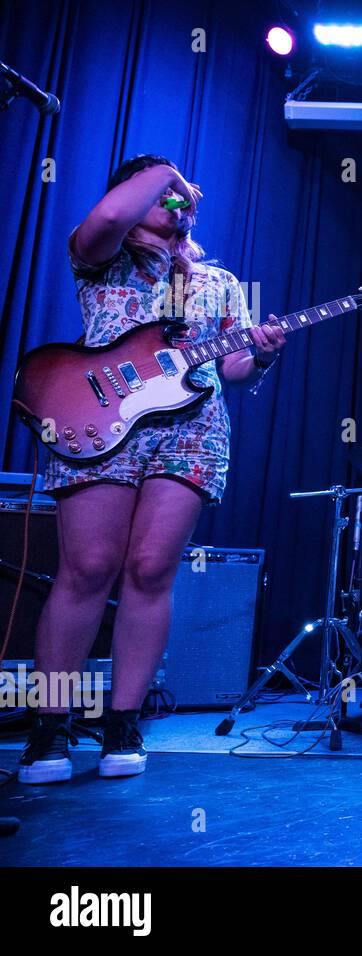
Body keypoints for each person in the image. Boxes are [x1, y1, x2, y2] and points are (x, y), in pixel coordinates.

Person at [18, 155, 286, 784]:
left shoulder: (219, 282)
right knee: (86, 568)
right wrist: (167, 177)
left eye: (185, 196)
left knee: (151, 569)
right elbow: (112, 212)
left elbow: (235, 366)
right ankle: (50, 725)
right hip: (100, 419)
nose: (179, 202)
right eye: (166, 193)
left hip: (191, 431)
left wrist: (265, 356)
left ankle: (122, 722)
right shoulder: (103, 253)